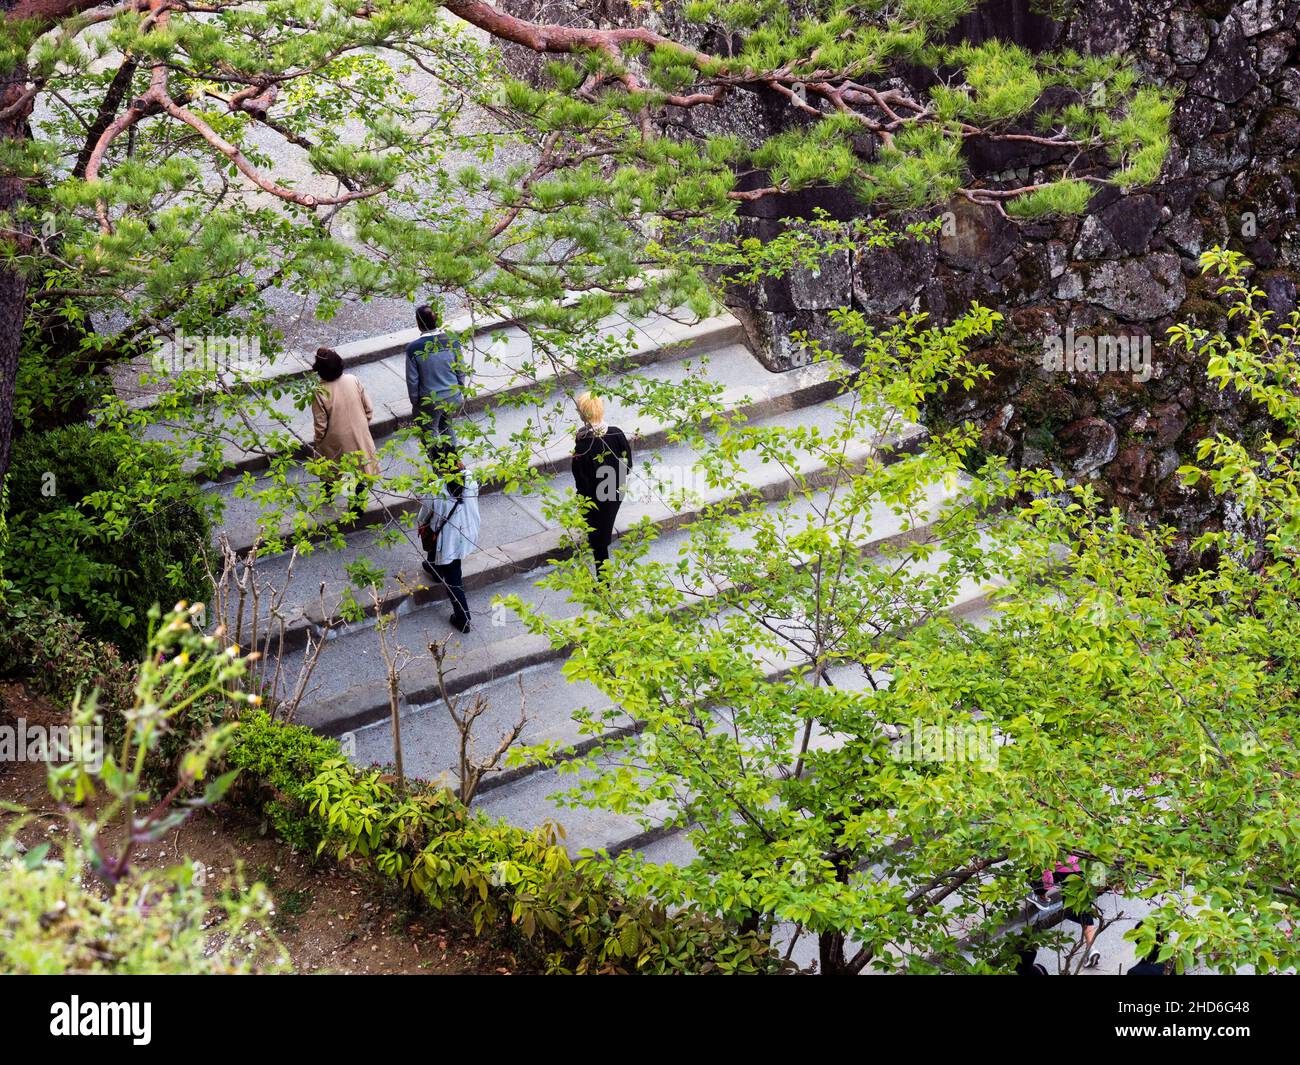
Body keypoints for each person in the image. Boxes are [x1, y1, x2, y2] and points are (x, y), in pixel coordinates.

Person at [416, 448, 480, 634]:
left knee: (454, 578)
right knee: (446, 558)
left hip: (450, 538)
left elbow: (424, 516)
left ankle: (463, 618)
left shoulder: (437, 489)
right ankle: (434, 568)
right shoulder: (470, 478)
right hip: (467, 531)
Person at [571, 391, 632, 574]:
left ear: (582, 414)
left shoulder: (582, 446)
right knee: (600, 535)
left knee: (599, 542)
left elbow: (581, 482)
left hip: (595, 499)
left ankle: (604, 584)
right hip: (616, 491)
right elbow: (627, 465)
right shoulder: (616, 434)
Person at [311, 346, 379, 511]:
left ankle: (331, 496)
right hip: (358, 433)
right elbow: (368, 409)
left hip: (335, 439)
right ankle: (357, 507)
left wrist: (318, 441)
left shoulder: (319, 391)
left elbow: (321, 425)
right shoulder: (352, 379)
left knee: (333, 468)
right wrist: (361, 425)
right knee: (358, 469)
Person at [405, 304, 465, 450]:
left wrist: (415, 402)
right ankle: (454, 465)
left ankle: (438, 470)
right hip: (453, 396)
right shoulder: (452, 341)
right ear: (436, 320)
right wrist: (459, 391)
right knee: (447, 427)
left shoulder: (414, 349)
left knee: (429, 433)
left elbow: (412, 380)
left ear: (418, 323)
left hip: (430, 400)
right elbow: (461, 370)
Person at [1028, 855, 1101, 968]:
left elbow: (1045, 860)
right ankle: (1091, 948)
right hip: (1080, 864)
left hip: (1060, 866)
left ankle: (1041, 897)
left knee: (1033, 864)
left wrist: (1045, 887)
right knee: (1083, 909)